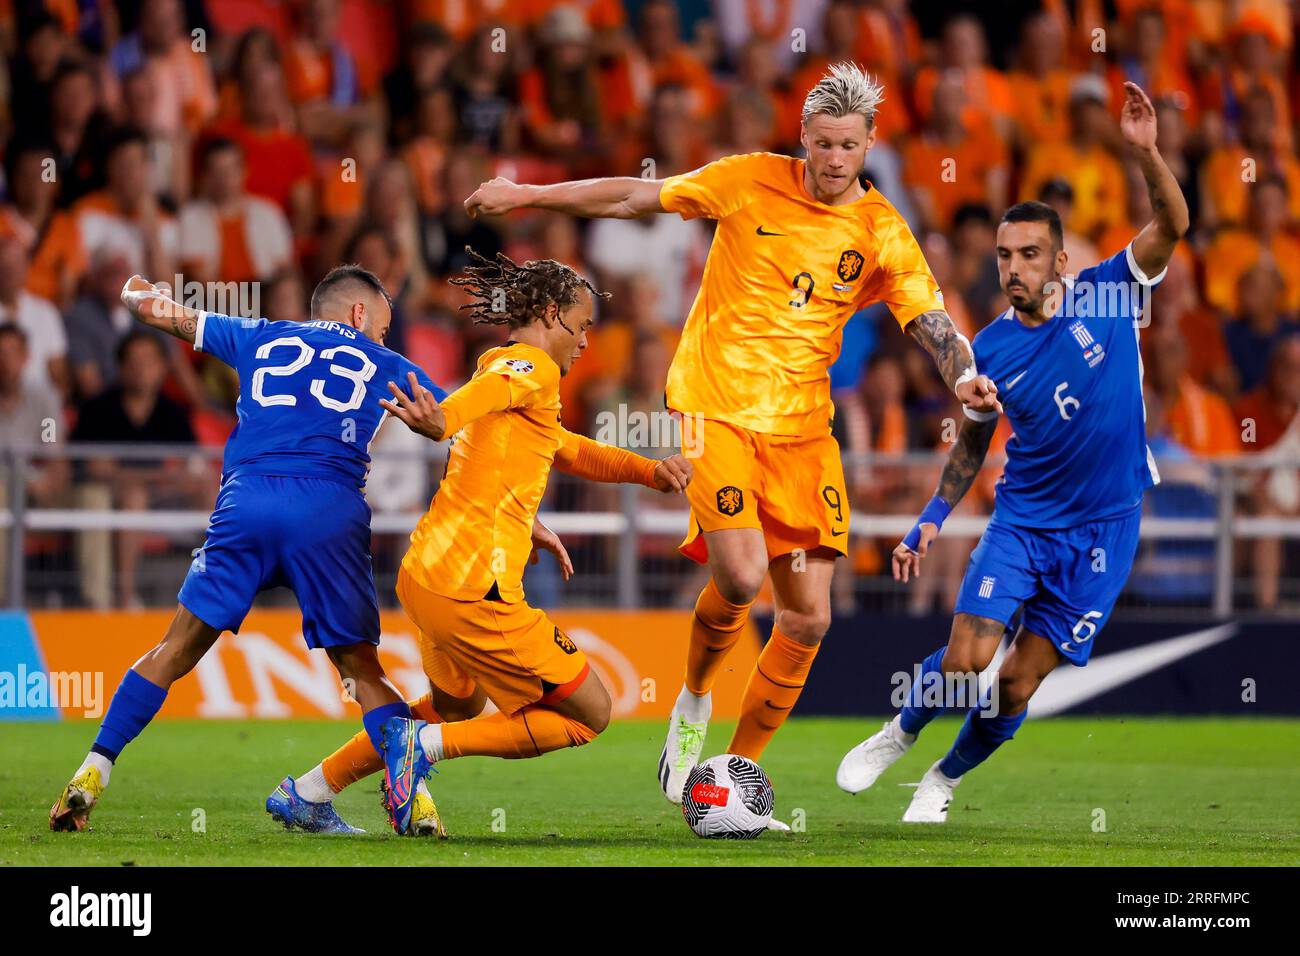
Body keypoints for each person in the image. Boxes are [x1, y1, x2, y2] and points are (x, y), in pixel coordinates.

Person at [463, 62, 1002, 804]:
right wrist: (528, 193)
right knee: (743, 577)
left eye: (849, 145)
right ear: (802, 138)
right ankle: (692, 698)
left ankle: (734, 777)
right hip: (712, 404)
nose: (834, 160)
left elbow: (932, 324)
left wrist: (962, 374)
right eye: (821, 143)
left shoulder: (883, 232)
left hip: (803, 430)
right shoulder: (747, 179)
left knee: (809, 618)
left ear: (871, 142)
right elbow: (634, 196)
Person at [836, 82, 1188, 822]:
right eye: (1003, 256)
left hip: (1107, 526)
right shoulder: (989, 349)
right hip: (1025, 519)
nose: (1012, 267)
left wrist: (1148, 152)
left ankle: (944, 778)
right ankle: (898, 732)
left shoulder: (1108, 293)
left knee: (1016, 686)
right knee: (967, 663)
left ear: (1059, 260)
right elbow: (972, 440)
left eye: (1028, 253)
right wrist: (932, 516)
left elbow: (1174, 222)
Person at [275, 250, 694, 835]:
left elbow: (566, 448)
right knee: (588, 714)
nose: (584, 344)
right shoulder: (529, 369)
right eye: (582, 327)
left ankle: (310, 792)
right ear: (552, 314)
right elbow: (476, 404)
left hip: (426, 577)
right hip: (475, 588)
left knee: (459, 706)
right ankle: (420, 748)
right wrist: (440, 418)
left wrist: (649, 473)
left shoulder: (501, 367)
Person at [49, 265, 450, 836]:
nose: (382, 340)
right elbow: (459, 425)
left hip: (248, 502)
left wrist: (137, 286)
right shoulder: (388, 365)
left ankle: (93, 770)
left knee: (174, 648)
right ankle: (418, 803)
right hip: (328, 512)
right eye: (382, 328)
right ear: (360, 315)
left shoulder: (257, 335)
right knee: (361, 669)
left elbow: (147, 306)